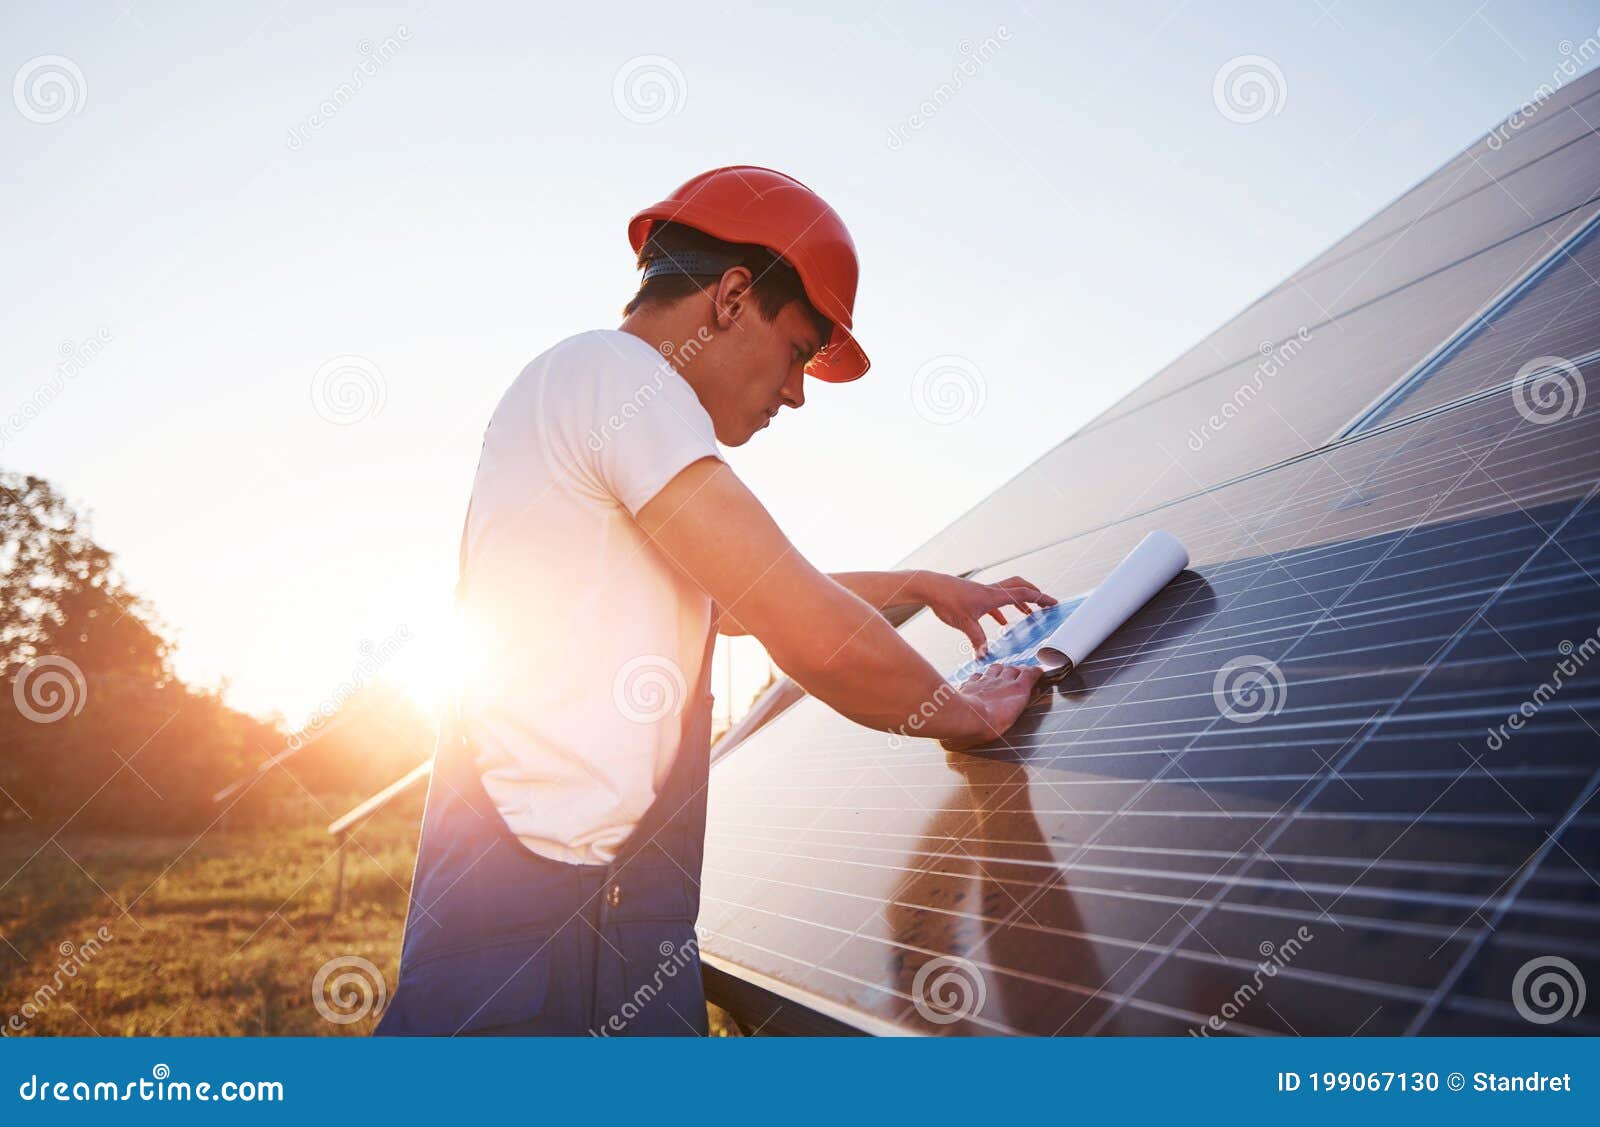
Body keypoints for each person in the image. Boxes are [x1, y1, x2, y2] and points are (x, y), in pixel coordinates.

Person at [376, 166, 1053, 1036]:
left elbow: (739, 600)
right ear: (733, 297)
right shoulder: (614, 376)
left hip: (612, 928)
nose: (797, 391)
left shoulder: (597, 411)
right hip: (525, 943)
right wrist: (966, 712)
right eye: (801, 349)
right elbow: (800, 624)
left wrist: (920, 588)